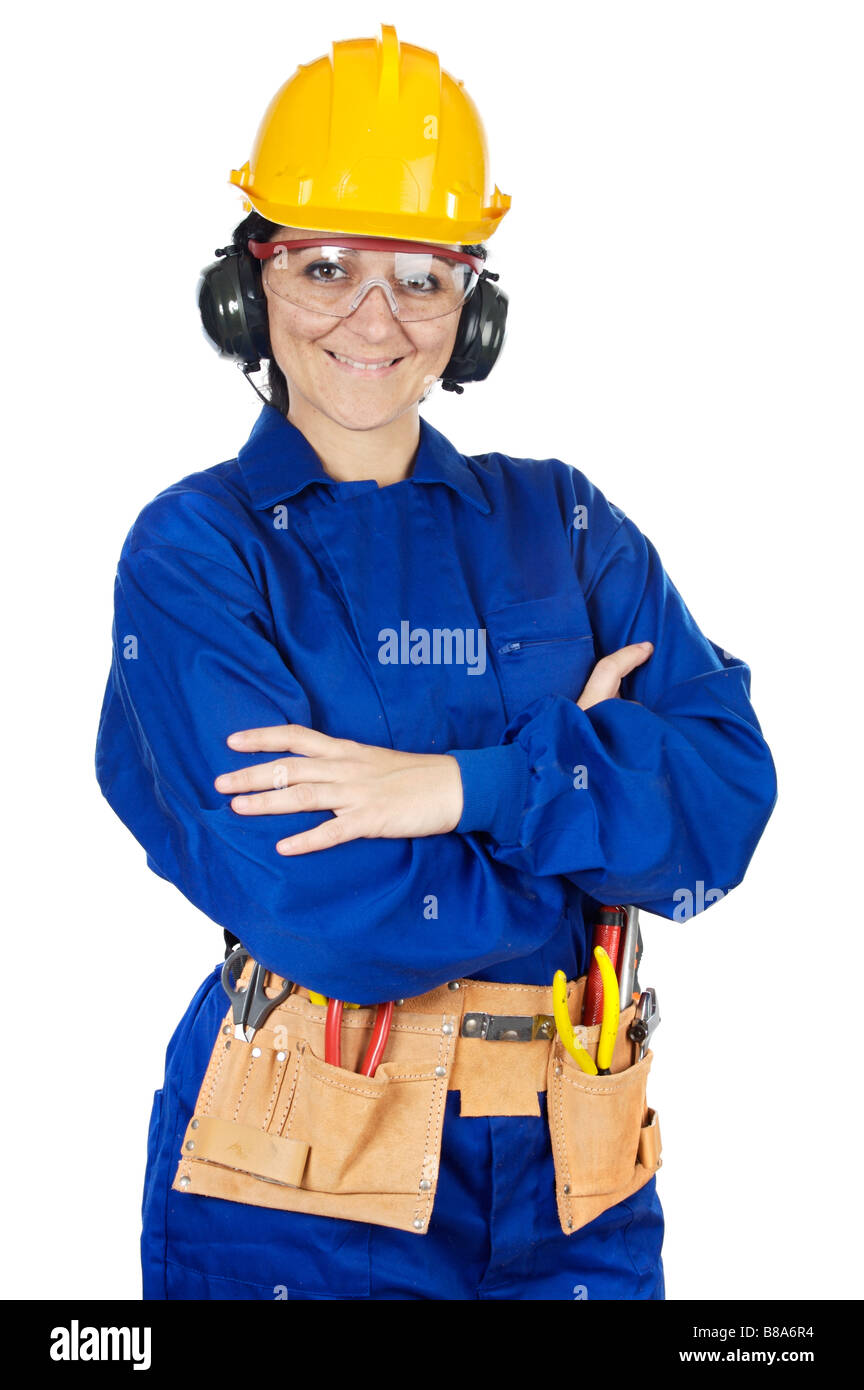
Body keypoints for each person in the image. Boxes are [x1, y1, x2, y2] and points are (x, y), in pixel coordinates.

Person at [95, 25, 777, 1301]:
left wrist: (457, 789)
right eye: (327, 266)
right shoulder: (194, 555)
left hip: (582, 1183)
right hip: (296, 1181)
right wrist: (574, 830)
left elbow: (727, 809)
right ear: (248, 289)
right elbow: (311, 904)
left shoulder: (568, 525)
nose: (374, 318)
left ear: (474, 312)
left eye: (422, 278)